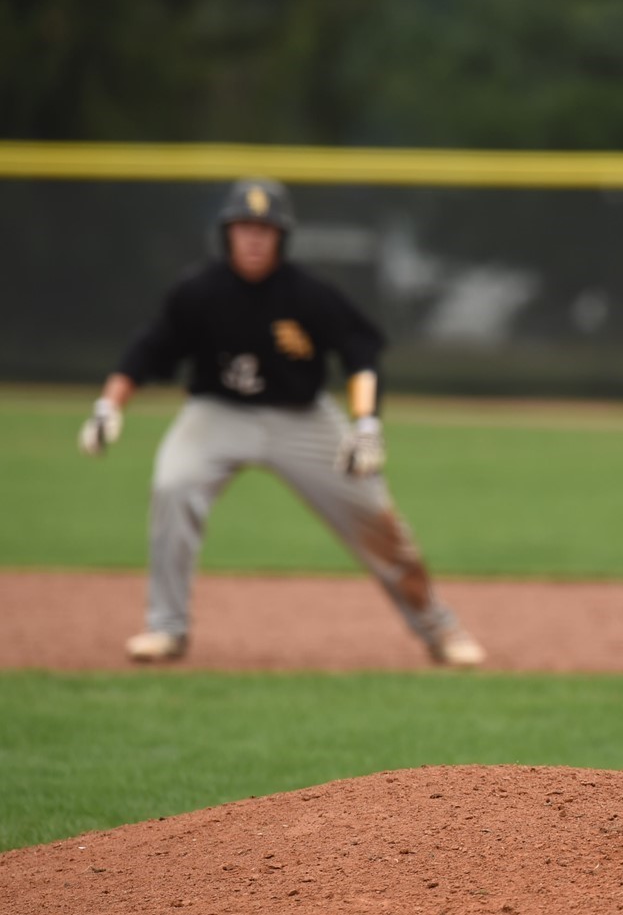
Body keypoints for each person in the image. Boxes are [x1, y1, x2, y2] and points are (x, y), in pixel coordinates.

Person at [77, 177, 485, 668]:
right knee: (173, 485)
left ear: (281, 237)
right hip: (217, 414)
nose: (253, 238)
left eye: (265, 229)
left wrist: (366, 424)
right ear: (226, 234)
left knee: (378, 520)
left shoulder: (309, 295)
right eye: (244, 227)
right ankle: (166, 629)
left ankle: (439, 628)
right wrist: (109, 405)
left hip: (302, 418)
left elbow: (362, 352)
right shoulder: (199, 292)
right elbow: (148, 349)